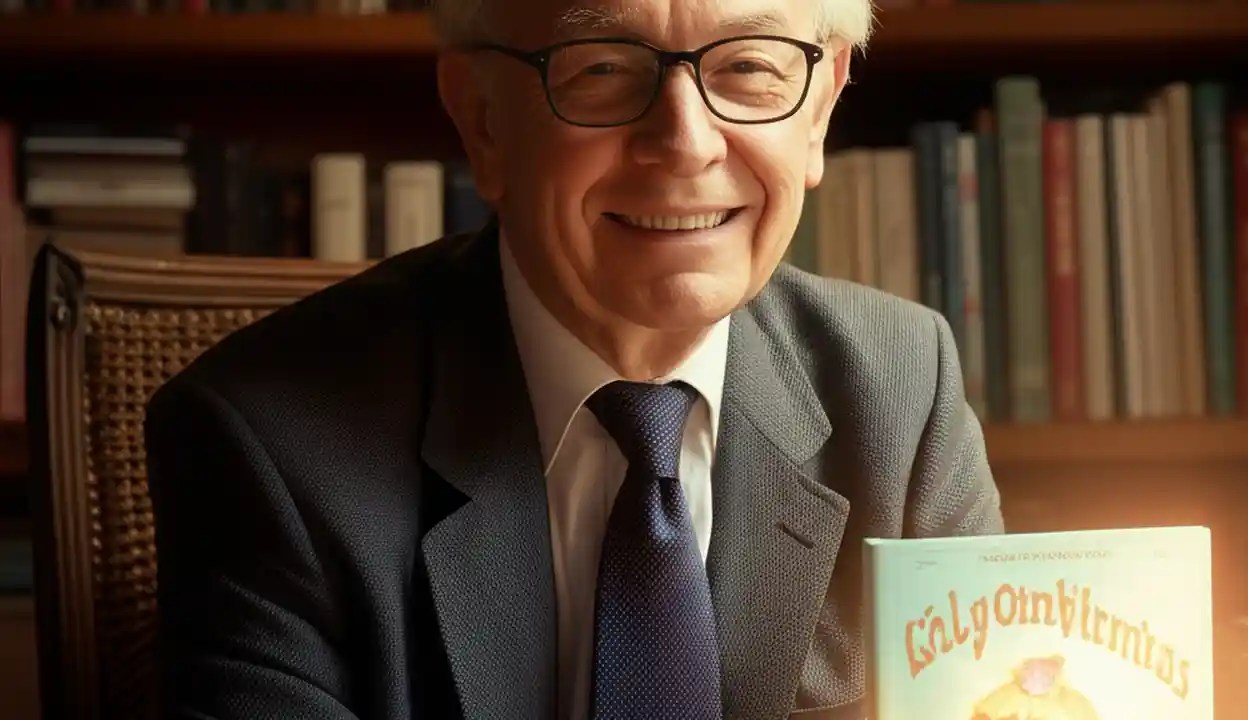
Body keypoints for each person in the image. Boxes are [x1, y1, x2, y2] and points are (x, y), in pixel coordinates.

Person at [143, 0, 1004, 718]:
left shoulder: (901, 387)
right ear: (481, 116)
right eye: (601, 68)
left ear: (818, 110)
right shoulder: (271, 443)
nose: (687, 142)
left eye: (749, 66)